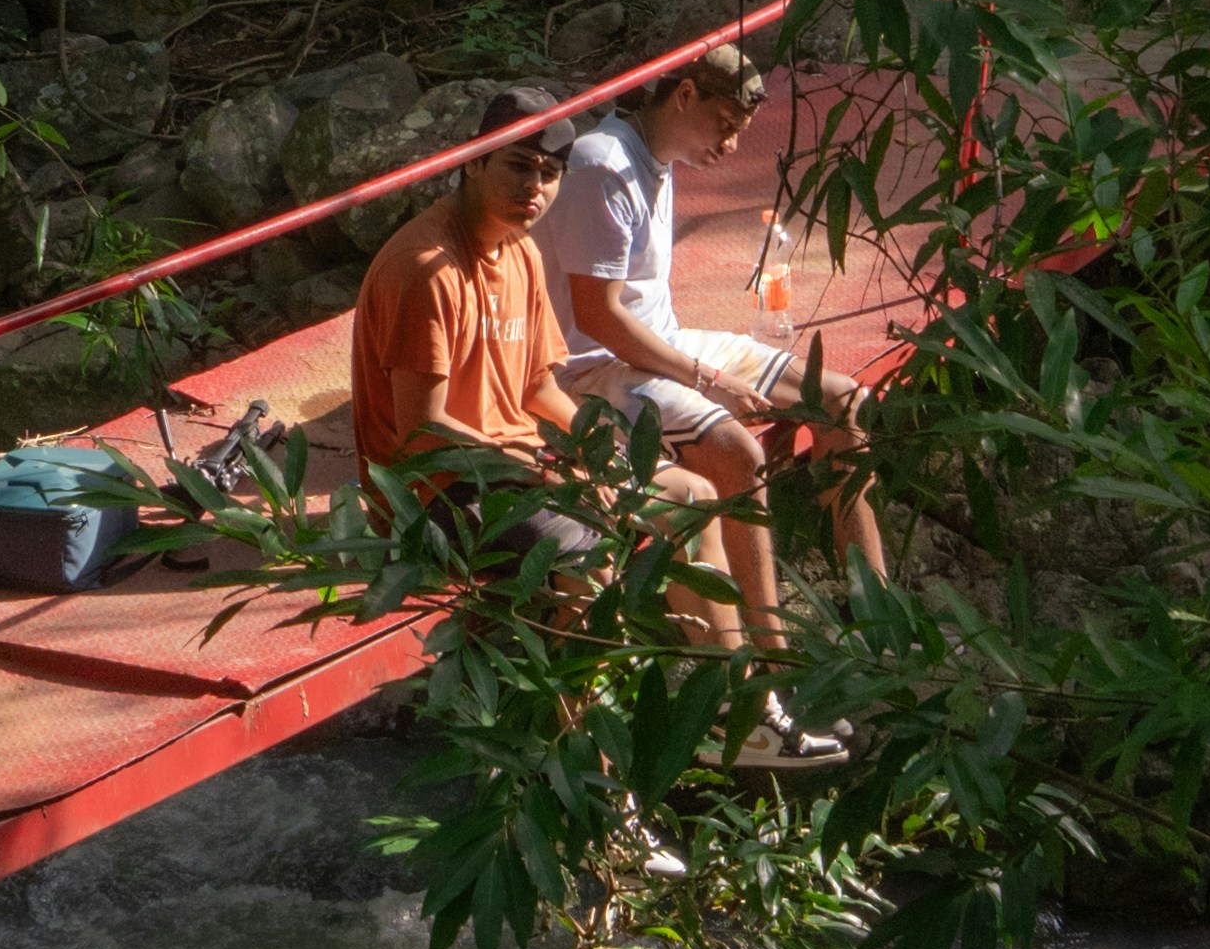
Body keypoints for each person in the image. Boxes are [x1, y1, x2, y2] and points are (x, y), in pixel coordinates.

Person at [535, 42, 877, 755]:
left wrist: (697, 365)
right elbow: (597, 318)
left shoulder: (659, 159)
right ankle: (771, 668)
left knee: (843, 402)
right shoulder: (603, 165)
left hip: (663, 339)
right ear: (683, 95)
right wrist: (704, 378)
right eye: (724, 124)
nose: (730, 144)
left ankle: (876, 627)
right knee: (738, 451)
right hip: (596, 367)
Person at [346, 86, 729, 641]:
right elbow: (422, 433)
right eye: (519, 166)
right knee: (588, 549)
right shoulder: (426, 269)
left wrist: (597, 452)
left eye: (550, 174)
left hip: (517, 460)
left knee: (693, 499)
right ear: (473, 161)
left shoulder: (521, 250)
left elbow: (537, 387)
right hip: (434, 491)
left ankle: (743, 702)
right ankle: (577, 720)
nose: (534, 187)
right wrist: (540, 468)